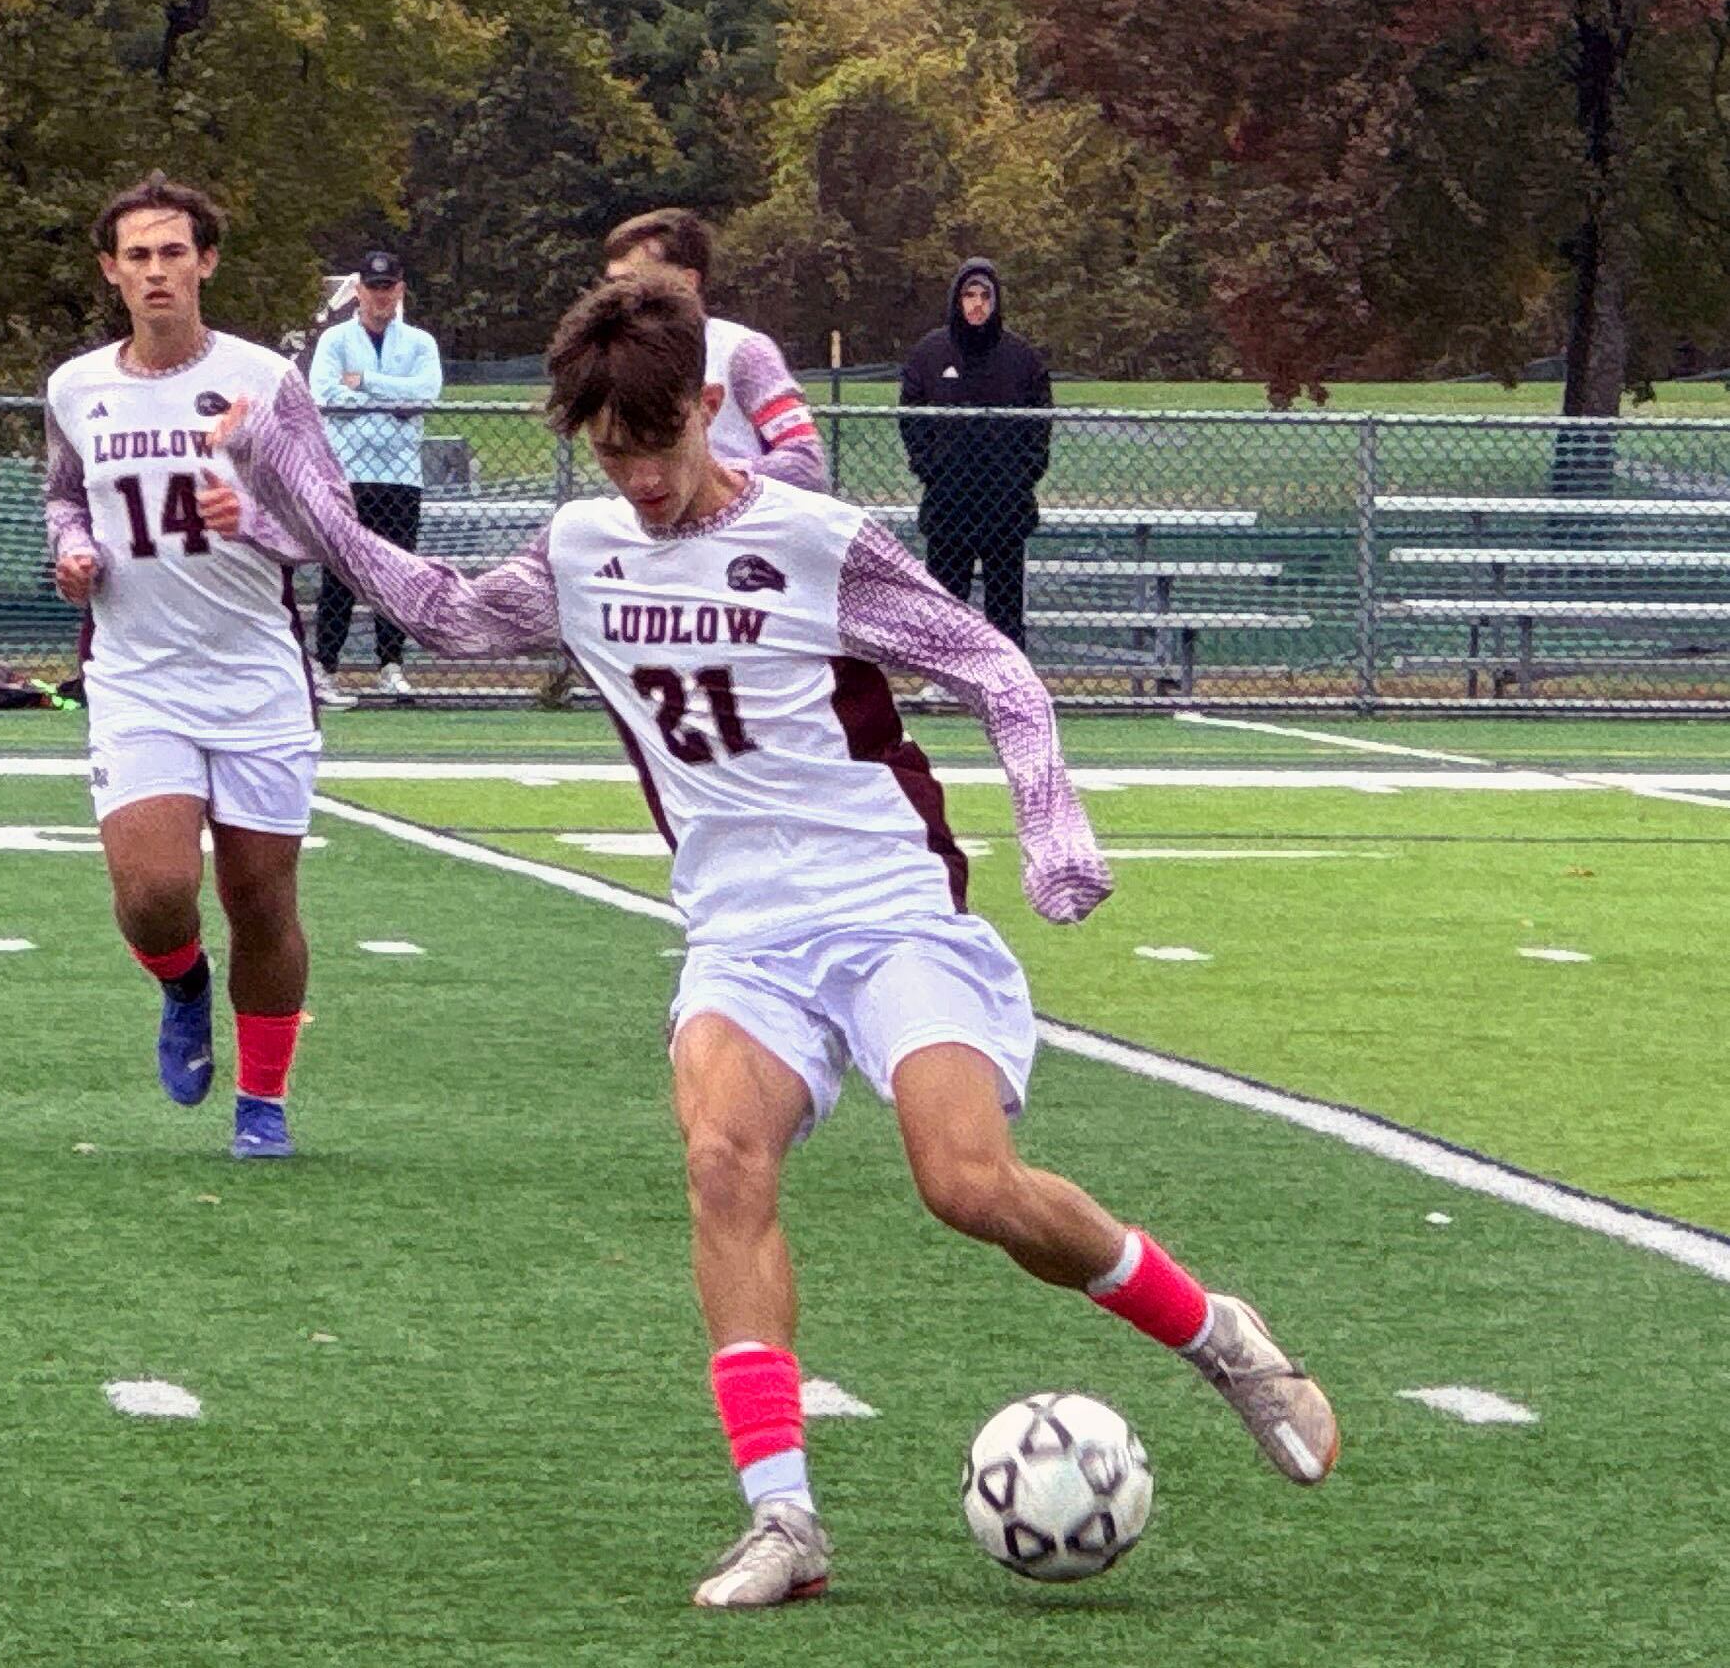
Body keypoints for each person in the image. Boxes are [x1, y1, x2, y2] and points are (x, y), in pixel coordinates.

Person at [203, 273, 1336, 1610]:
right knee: (718, 1159)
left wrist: (1051, 824)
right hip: (739, 934)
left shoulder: (817, 539)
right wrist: (292, 479)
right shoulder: (579, 549)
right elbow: (437, 608)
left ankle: (1216, 1335)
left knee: (965, 1182)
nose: (633, 477)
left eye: (652, 443)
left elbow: (993, 666)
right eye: (607, 453)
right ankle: (781, 1517)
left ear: (703, 407)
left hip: (886, 904)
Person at [44, 172, 331, 1161]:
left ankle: (262, 1102)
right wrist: (71, 548)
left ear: (205, 261)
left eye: (173, 252)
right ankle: (179, 985)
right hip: (137, 673)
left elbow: (328, 525)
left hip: (253, 676)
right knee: (155, 888)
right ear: (110, 271)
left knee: (261, 899)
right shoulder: (77, 387)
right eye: (137, 255)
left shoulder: (266, 381)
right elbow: (63, 496)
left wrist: (252, 519)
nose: (156, 270)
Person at [600, 208, 827, 492]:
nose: (616, 297)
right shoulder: (613, 355)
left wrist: (705, 478)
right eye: (612, 284)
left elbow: (806, 465)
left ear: (687, 281)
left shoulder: (742, 352)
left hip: (740, 531)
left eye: (632, 281)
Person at [305, 249, 442, 707]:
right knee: (340, 573)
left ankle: (391, 666)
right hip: (348, 475)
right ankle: (325, 667)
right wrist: (392, 402)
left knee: (396, 573)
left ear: (399, 290)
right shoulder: (335, 340)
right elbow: (325, 396)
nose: (380, 296)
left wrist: (364, 382)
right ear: (358, 290)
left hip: (401, 476)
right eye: (372, 288)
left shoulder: (420, 342)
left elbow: (425, 393)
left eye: (388, 288)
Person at [900, 258, 1052, 649]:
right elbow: (911, 417)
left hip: (1005, 507)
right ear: (957, 299)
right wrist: (932, 469)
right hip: (949, 506)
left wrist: (1021, 476)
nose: (978, 304)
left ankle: (1008, 684)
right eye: (970, 295)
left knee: (1005, 611)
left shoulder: (1022, 358)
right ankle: (941, 678)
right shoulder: (930, 354)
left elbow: (1039, 426)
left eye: (986, 295)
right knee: (945, 604)